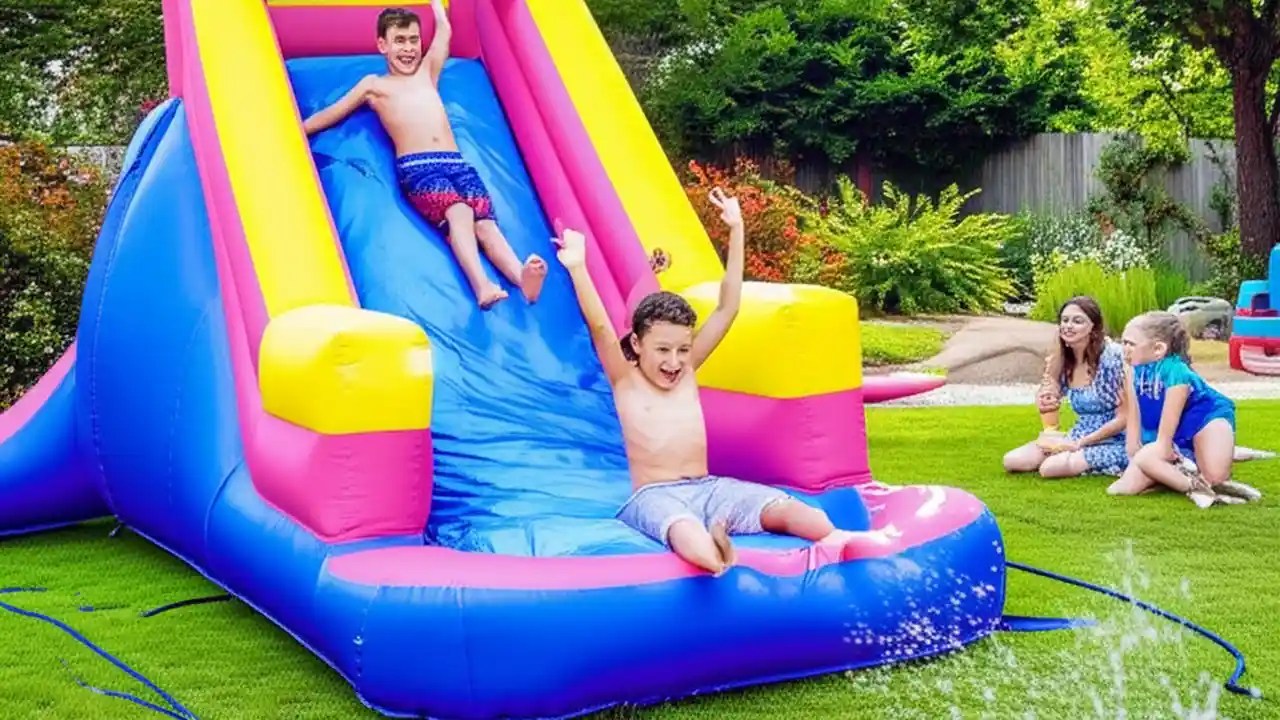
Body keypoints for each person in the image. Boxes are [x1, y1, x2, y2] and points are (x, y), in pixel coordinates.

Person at [552, 188, 856, 575]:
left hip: (709, 487)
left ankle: (840, 545)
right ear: (637, 344)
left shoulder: (688, 370)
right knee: (685, 533)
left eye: (682, 349)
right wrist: (578, 265)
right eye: (663, 350)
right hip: (654, 496)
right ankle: (717, 555)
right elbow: (598, 325)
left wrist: (737, 228)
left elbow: (728, 307)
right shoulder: (625, 379)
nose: (675, 361)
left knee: (800, 514)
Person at [300, 3, 546, 309]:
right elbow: (334, 111)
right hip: (419, 169)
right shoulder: (375, 86)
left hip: (458, 165)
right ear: (382, 45)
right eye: (399, 40)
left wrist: (436, 7)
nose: (408, 48)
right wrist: (300, 129)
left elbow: (444, 32)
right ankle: (482, 285)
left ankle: (521, 277)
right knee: (459, 212)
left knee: (486, 224)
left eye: (414, 40)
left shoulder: (428, 73)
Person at [1107, 311, 1258, 507]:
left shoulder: (1177, 373)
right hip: (1172, 429)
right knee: (1120, 489)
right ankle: (1190, 479)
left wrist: (1155, 455)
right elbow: (1134, 417)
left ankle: (1198, 480)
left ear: (1158, 349)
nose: (1124, 349)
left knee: (1215, 477)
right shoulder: (1131, 370)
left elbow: (1163, 442)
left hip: (1205, 420)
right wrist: (1132, 454)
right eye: (1123, 342)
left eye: (1130, 344)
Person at [1003, 296, 1129, 479]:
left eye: (1077, 321)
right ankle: (1066, 453)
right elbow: (1049, 398)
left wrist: (1080, 444)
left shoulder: (1112, 359)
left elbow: (1124, 419)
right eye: (1065, 320)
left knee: (1049, 468)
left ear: (1093, 327)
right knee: (1013, 460)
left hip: (1115, 438)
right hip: (1079, 433)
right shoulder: (1064, 359)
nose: (1069, 326)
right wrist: (1045, 398)